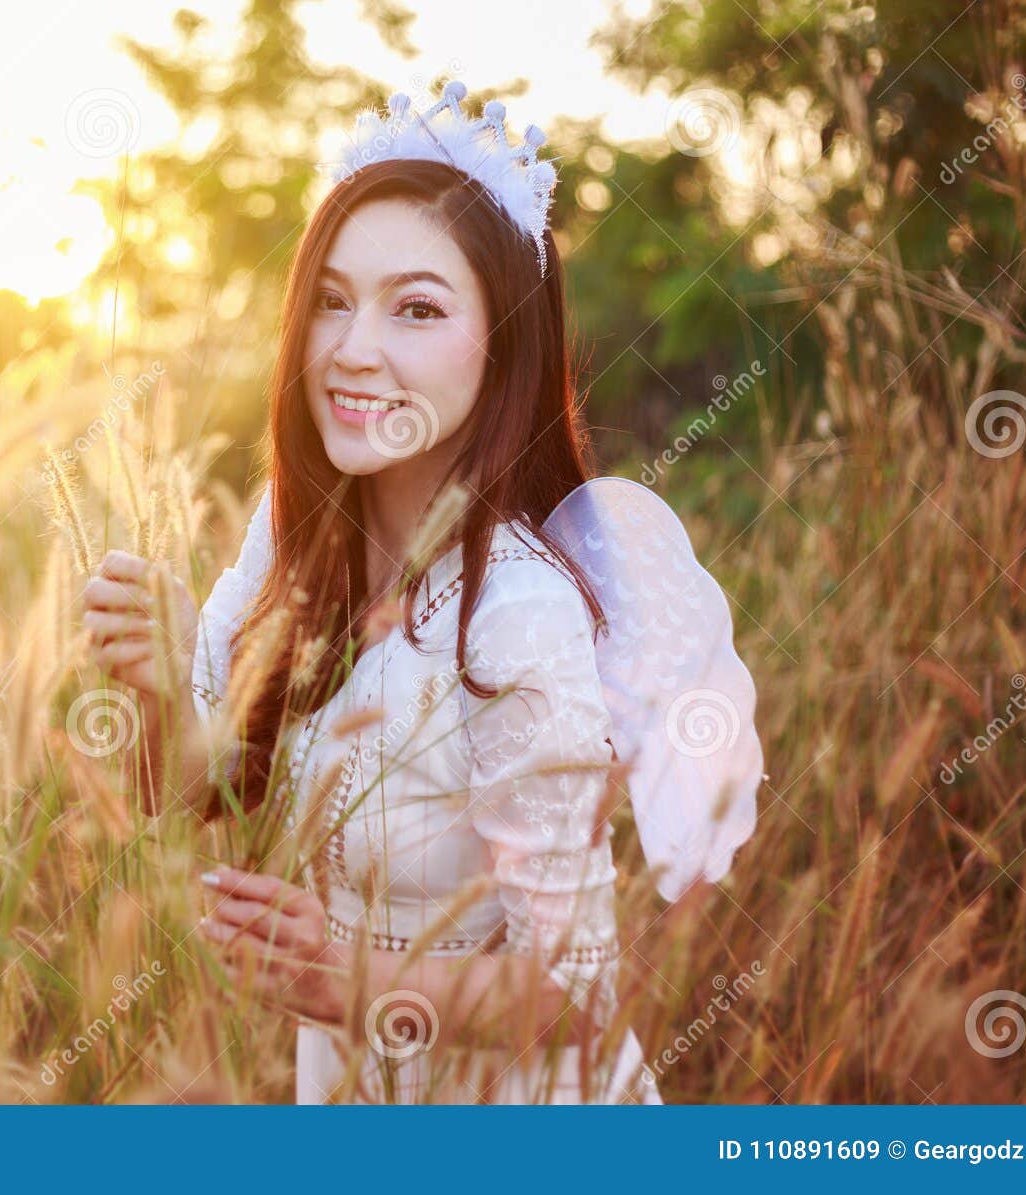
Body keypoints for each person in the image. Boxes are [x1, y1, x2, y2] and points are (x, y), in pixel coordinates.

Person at [79, 82, 763, 1104]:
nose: (354, 347)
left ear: (501, 350)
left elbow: (574, 996)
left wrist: (343, 977)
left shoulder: (516, 614)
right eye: (330, 299)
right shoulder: (295, 535)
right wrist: (157, 685)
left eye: (417, 308)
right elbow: (195, 796)